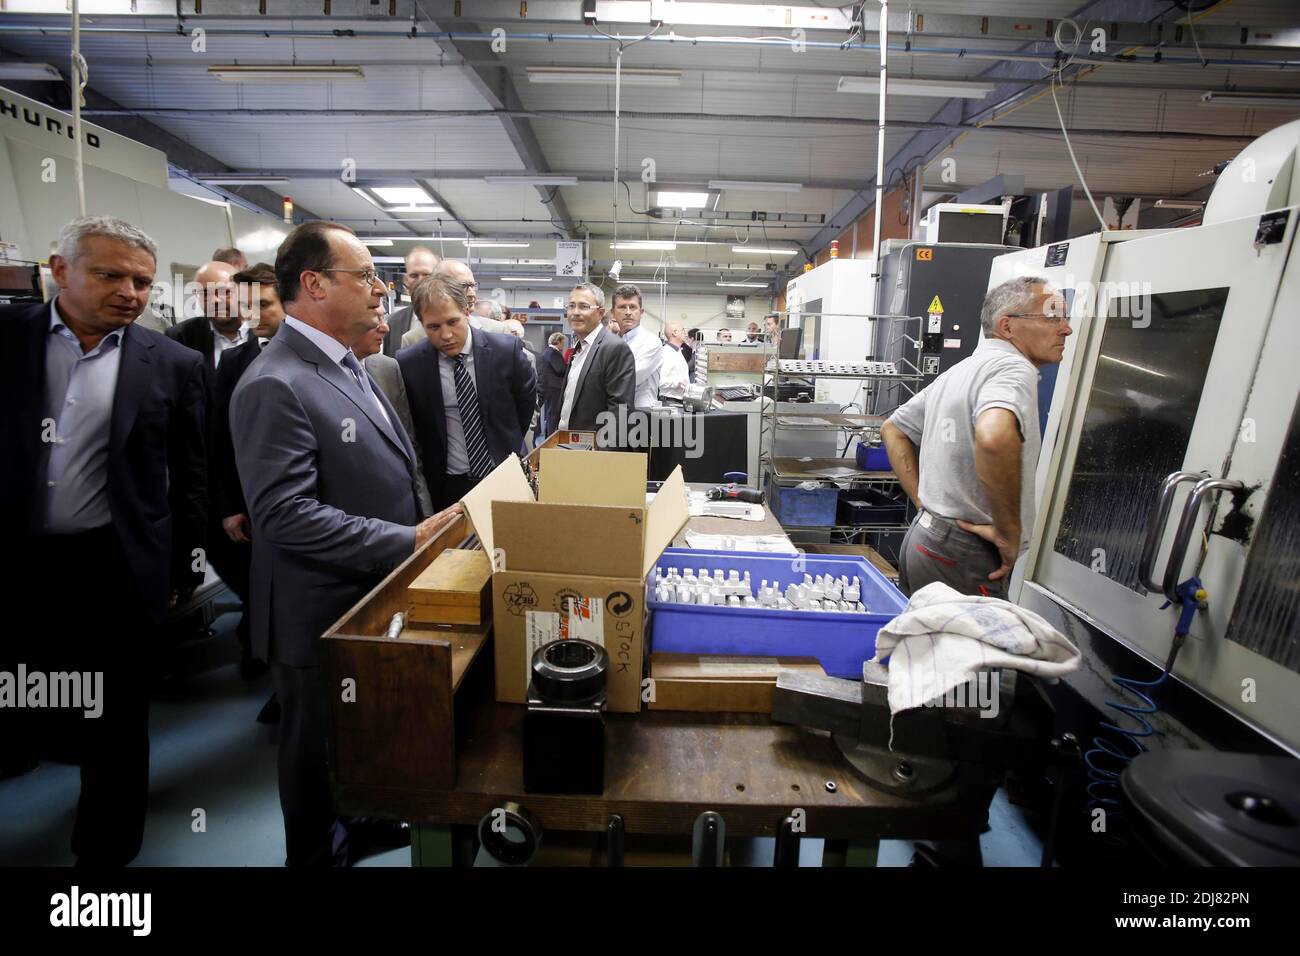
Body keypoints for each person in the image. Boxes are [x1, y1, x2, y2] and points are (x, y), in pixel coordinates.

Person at [230, 220, 461, 867]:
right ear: (312, 283)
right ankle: (310, 855)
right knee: (311, 754)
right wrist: (407, 538)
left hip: (363, 595)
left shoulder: (352, 364)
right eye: (363, 275)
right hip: (313, 611)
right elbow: (285, 515)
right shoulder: (277, 382)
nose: (378, 288)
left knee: (355, 735)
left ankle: (355, 825)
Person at [0, 215, 207, 864]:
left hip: (114, 570)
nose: (130, 292)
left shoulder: (172, 363)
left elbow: (189, 477)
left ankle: (104, 863)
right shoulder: (7, 340)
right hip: (16, 565)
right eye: (109, 274)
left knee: (116, 725)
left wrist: (181, 566)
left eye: (142, 281)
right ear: (60, 272)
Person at [881, 275, 1069, 600]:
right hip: (964, 554)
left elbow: (893, 430)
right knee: (970, 650)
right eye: (1053, 317)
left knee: (925, 646)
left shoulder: (962, 370)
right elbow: (994, 437)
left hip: (926, 539)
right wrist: (1009, 533)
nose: (1066, 329)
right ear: (1007, 327)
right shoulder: (1013, 369)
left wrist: (923, 503)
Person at [398, 274, 537, 511]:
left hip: (504, 475)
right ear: (421, 323)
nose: (446, 335)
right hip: (448, 487)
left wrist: (504, 444)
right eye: (433, 327)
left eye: (452, 322)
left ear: (467, 312)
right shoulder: (410, 364)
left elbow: (524, 407)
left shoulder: (506, 351)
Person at [211, 262, 284, 682]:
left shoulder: (314, 356)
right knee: (260, 588)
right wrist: (230, 506)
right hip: (251, 502)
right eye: (247, 306)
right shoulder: (234, 362)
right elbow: (219, 439)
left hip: (304, 499)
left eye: (264, 304)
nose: (254, 314)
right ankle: (261, 655)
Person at [354, 309, 434, 517]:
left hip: (402, 512)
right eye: (374, 320)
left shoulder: (387, 368)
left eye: (383, 318)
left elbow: (410, 444)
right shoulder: (313, 376)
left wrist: (425, 511)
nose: (385, 327)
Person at [553, 282, 636, 436]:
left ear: (600, 313)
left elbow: (620, 411)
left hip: (593, 451)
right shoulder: (579, 347)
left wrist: (603, 456)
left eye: (583, 306)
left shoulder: (614, 348)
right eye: (571, 306)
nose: (575, 312)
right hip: (568, 445)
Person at [166, 260, 245, 374]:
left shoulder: (265, 331)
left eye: (224, 291)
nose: (215, 300)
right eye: (205, 293)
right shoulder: (180, 338)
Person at [400, 259, 491, 347]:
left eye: (472, 285)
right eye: (462, 286)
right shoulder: (412, 340)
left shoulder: (497, 331)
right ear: (438, 287)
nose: (472, 294)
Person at [382, 245, 439, 357]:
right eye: (414, 275)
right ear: (406, 281)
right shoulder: (393, 323)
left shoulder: (451, 321)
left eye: (426, 275)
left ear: (438, 278)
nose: (420, 281)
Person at [611, 283, 662, 408]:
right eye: (622, 307)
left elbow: (630, 378)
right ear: (613, 313)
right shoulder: (612, 342)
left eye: (633, 307)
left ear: (641, 312)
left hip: (641, 414)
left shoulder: (651, 342)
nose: (628, 312)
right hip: (615, 411)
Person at [537, 331, 568, 441]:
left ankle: (548, 437)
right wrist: (569, 365)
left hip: (549, 387)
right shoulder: (553, 353)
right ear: (558, 341)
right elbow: (560, 369)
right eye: (562, 343)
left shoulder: (546, 352)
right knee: (553, 414)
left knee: (550, 414)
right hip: (555, 388)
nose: (563, 346)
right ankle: (551, 438)